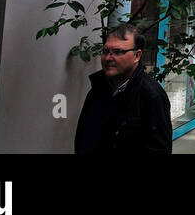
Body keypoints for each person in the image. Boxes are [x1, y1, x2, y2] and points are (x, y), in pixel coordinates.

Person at [74, 23, 172, 154]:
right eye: (105, 51)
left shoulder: (151, 95)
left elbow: (159, 149)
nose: (108, 58)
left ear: (137, 56)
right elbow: (83, 138)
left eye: (118, 52)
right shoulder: (98, 88)